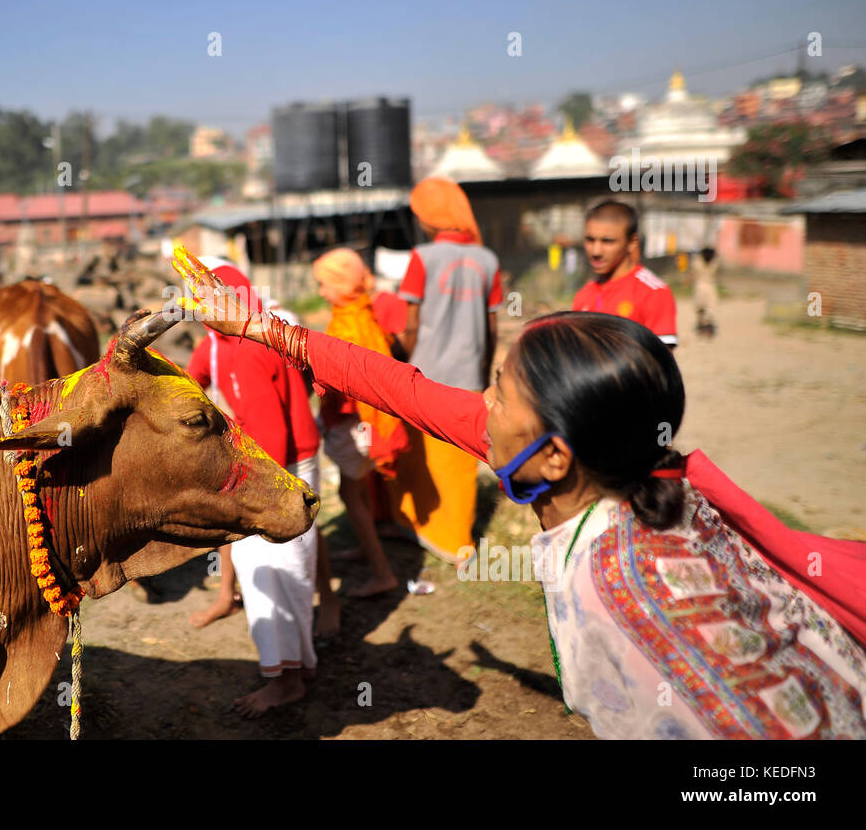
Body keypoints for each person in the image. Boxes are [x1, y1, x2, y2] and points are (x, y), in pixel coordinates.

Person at [174, 247, 866, 739]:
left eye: (499, 393)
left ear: (555, 454)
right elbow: (403, 389)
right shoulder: (604, 469)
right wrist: (259, 327)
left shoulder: (631, 589)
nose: (481, 401)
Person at [185, 260, 333, 714]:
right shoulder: (247, 335)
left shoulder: (244, 352)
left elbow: (271, 437)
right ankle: (300, 664)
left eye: (204, 300)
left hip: (278, 470)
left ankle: (285, 680)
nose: (197, 309)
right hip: (294, 461)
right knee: (290, 566)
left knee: (266, 569)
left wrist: (247, 487)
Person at [393, 177, 502, 562]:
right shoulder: (487, 260)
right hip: (468, 375)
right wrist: (485, 372)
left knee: (421, 456)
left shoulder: (422, 257)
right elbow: (492, 327)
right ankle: (457, 541)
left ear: (430, 217)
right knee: (460, 460)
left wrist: (398, 362)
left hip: (424, 375)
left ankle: (420, 527)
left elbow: (411, 324)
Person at [313, 249, 409, 597]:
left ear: (341, 284)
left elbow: (347, 383)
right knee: (359, 488)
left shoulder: (348, 326)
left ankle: (382, 572)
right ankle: (367, 547)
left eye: (325, 284)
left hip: (355, 423)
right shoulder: (362, 312)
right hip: (366, 424)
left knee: (348, 493)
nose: (321, 292)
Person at [574, 199, 678, 348]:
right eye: (590, 240)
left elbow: (662, 358)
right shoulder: (584, 295)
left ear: (632, 242)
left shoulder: (653, 293)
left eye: (607, 241)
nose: (596, 251)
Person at [693, 247, 720, 338]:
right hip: (708, 286)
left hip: (701, 287)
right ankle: (706, 329)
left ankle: (704, 329)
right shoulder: (713, 262)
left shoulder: (697, 261)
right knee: (707, 309)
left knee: (703, 310)